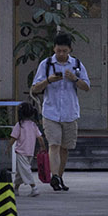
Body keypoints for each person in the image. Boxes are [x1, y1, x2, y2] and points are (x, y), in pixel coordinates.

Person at [30, 33, 90, 192]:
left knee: (65, 147)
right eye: (58, 51)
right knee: (54, 144)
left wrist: (74, 79)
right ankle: (55, 176)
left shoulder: (76, 64)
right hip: (51, 112)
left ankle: (59, 177)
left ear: (70, 49)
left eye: (64, 51)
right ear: (54, 49)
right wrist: (49, 80)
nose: (61, 54)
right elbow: (35, 88)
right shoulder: (46, 64)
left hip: (70, 112)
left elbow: (86, 87)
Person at [10, 100, 42, 196]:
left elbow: (13, 138)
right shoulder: (33, 125)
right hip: (30, 152)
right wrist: (42, 147)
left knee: (25, 170)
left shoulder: (19, 125)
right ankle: (16, 189)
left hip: (21, 151)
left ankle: (34, 188)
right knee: (21, 171)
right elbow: (40, 138)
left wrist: (8, 147)